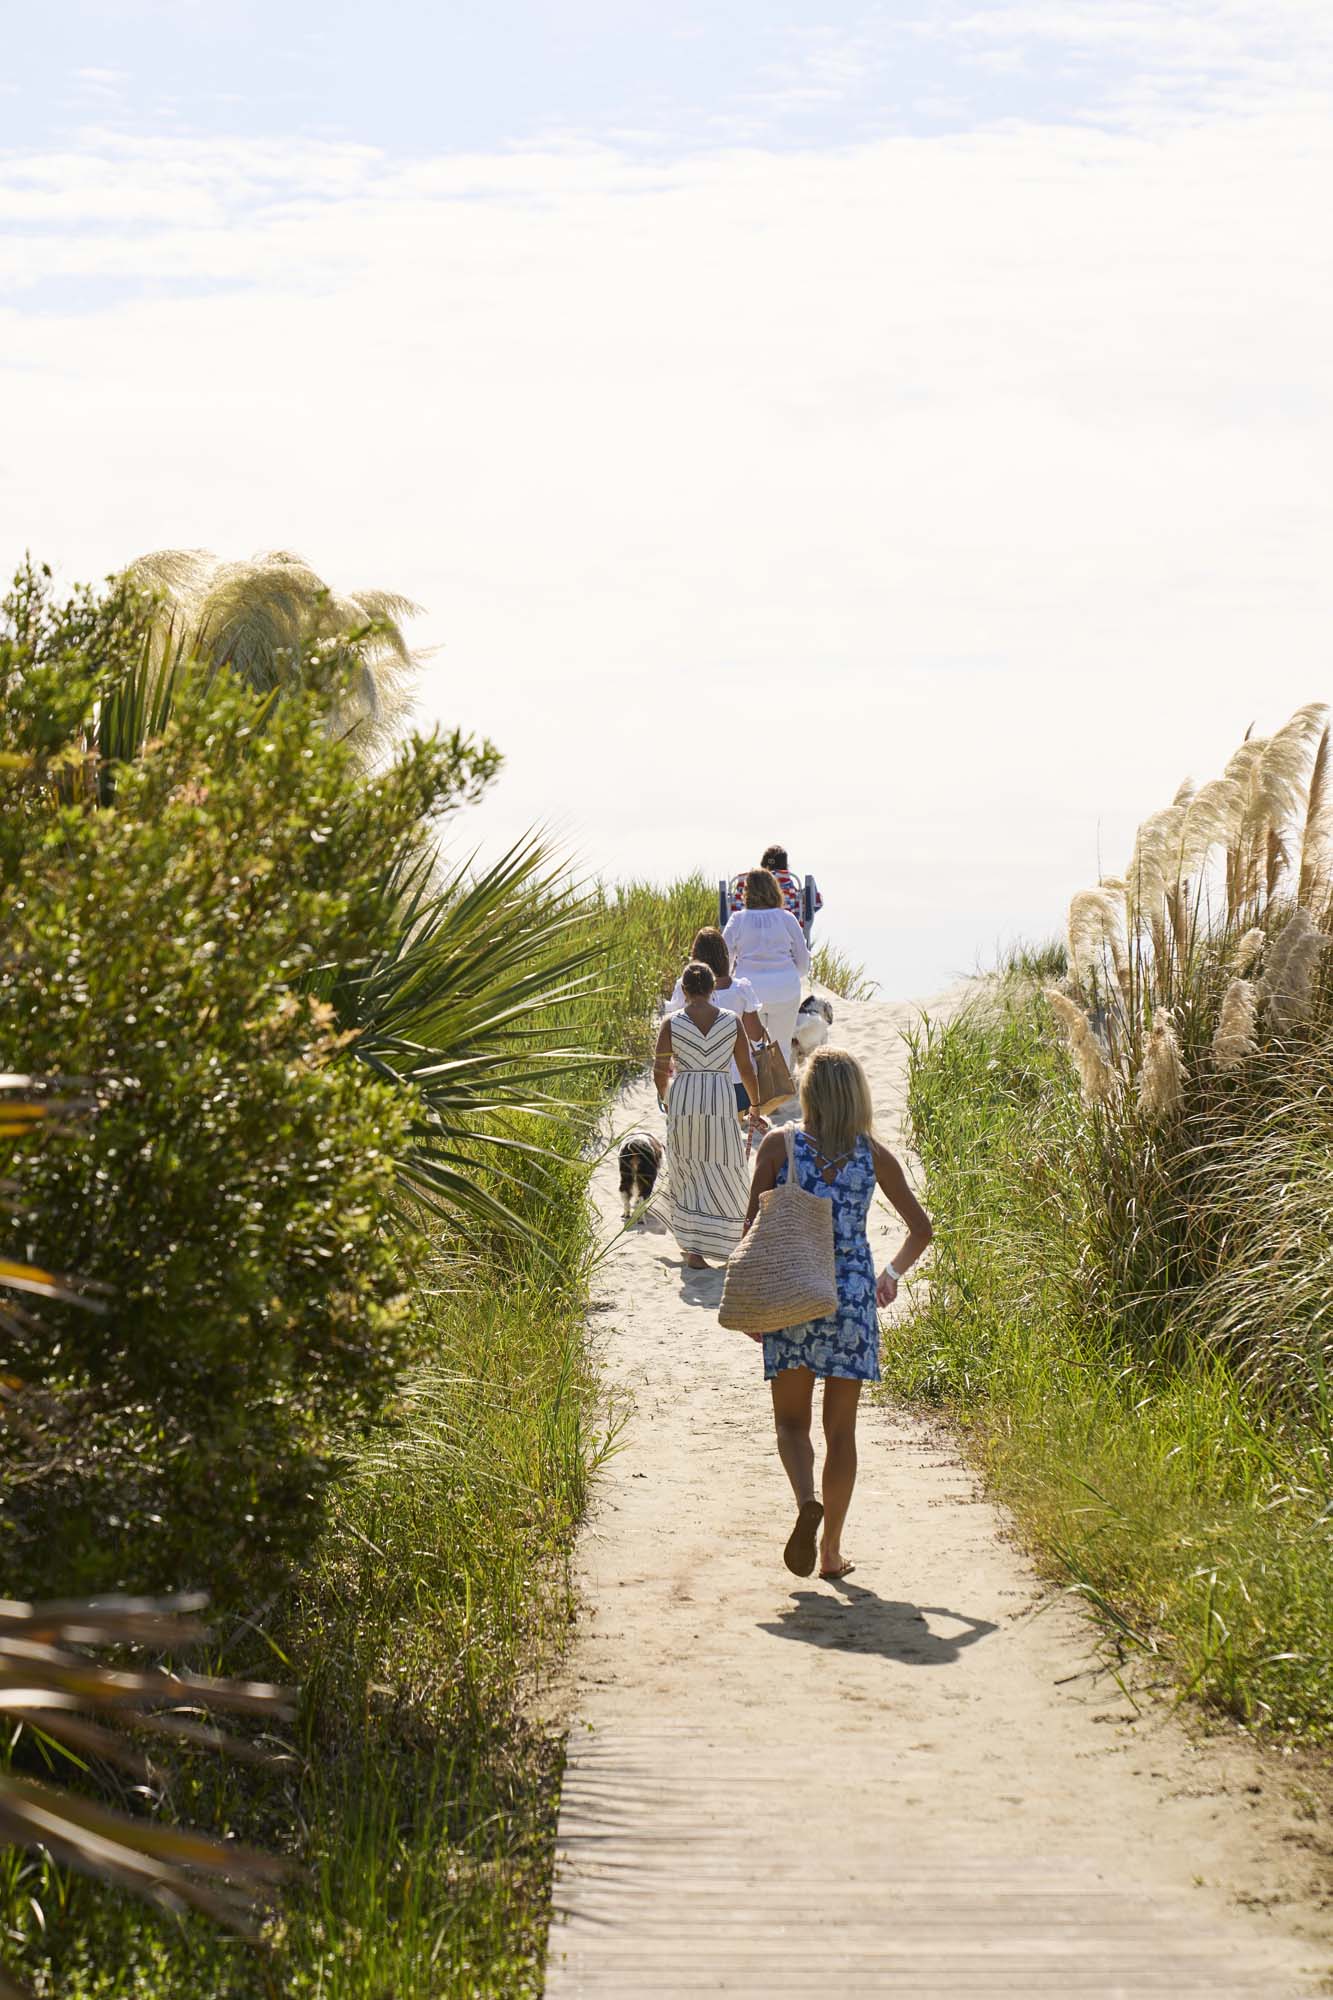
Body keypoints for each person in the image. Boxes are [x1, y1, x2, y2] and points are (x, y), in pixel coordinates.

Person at [741, 1047, 933, 1581]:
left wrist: (754, 1304)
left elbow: (751, 1230)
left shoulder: (779, 1146)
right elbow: (921, 1230)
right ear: (856, 1096)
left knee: (790, 1423)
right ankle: (831, 1551)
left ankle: (807, 1500)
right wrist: (889, 1275)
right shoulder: (873, 1155)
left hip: (793, 1294)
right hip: (850, 1300)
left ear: (809, 1094)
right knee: (841, 1432)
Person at [653, 960, 762, 1271]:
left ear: (684, 989)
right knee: (725, 1166)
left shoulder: (671, 1023)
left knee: (688, 1168)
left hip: (685, 1097)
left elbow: (660, 1070)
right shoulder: (731, 1021)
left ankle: (695, 1250)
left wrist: (666, 1099)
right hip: (719, 1098)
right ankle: (729, 1240)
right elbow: (746, 1069)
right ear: (713, 987)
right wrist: (755, 1104)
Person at [667, 927, 768, 1128]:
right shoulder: (741, 989)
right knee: (730, 1131)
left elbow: (673, 1031)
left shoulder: (683, 988)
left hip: (693, 1081)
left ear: (695, 957)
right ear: (724, 957)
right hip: (736, 1083)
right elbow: (756, 1036)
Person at [723, 868, 810, 1066]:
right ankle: (781, 1084)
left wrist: (731, 979)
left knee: (750, 1048)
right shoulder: (787, 918)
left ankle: (754, 1085)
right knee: (783, 1046)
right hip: (785, 989)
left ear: (747, 892)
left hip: (749, 990)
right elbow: (803, 962)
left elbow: (724, 957)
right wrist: (789, 975)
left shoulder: (738, 919)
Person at [728, 844, 823, 935]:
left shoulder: (745, 885)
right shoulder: (791, 892)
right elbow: (815, 906)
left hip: (747, 937)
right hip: (785, 938)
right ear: (785, 865)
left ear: (763, 864)